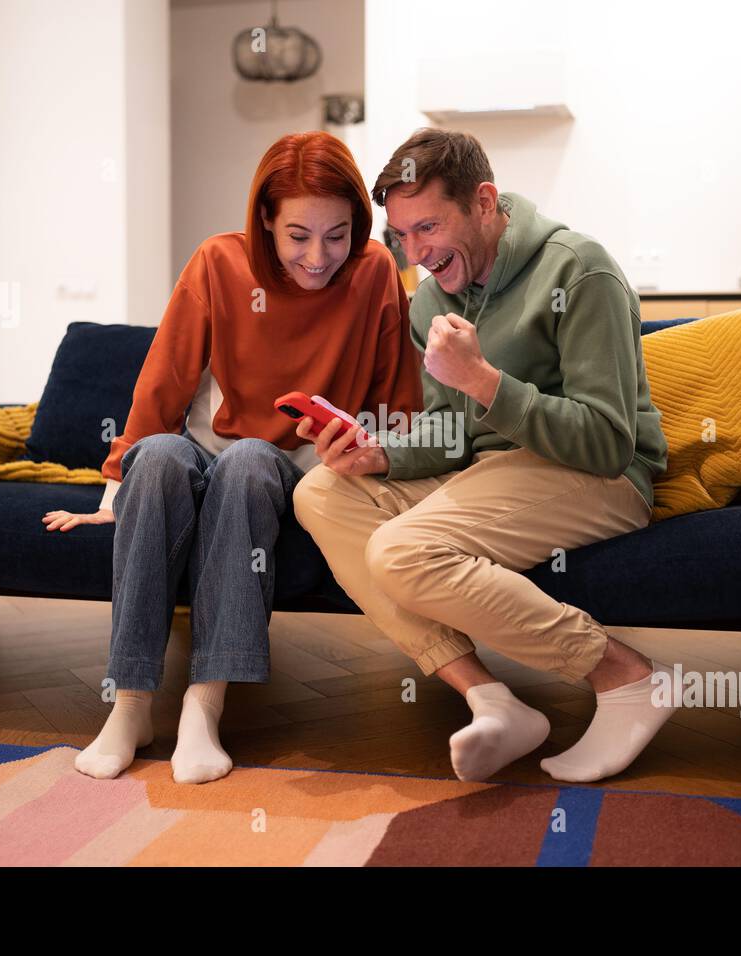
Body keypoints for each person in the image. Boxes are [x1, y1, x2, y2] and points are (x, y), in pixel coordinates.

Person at [291, 128, 674, 784]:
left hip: (598, 477)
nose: (416, 253)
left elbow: (609, 443)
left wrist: (485, 382)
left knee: (401, 552)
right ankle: (490, 700)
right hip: (491, 473)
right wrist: (382, 454)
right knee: (319, 492)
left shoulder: (580, 271)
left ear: (485, 203)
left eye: (430, 227)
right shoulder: (433, 299)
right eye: (401, 236)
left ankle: (625, 675)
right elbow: (451, 435)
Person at [43, 131, 421, 784]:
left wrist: (382, 459)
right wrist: (117, 495)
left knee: (248, 459)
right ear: (266, 219)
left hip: (292, 466)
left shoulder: (375, 273)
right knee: (157, 460)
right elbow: (161, 381)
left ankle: (202, 705)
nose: (318, 256)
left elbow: (399, 402)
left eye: (337, 235)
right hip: (202, 448)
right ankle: (130, 704)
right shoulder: (219, 263)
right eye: (298, 235)